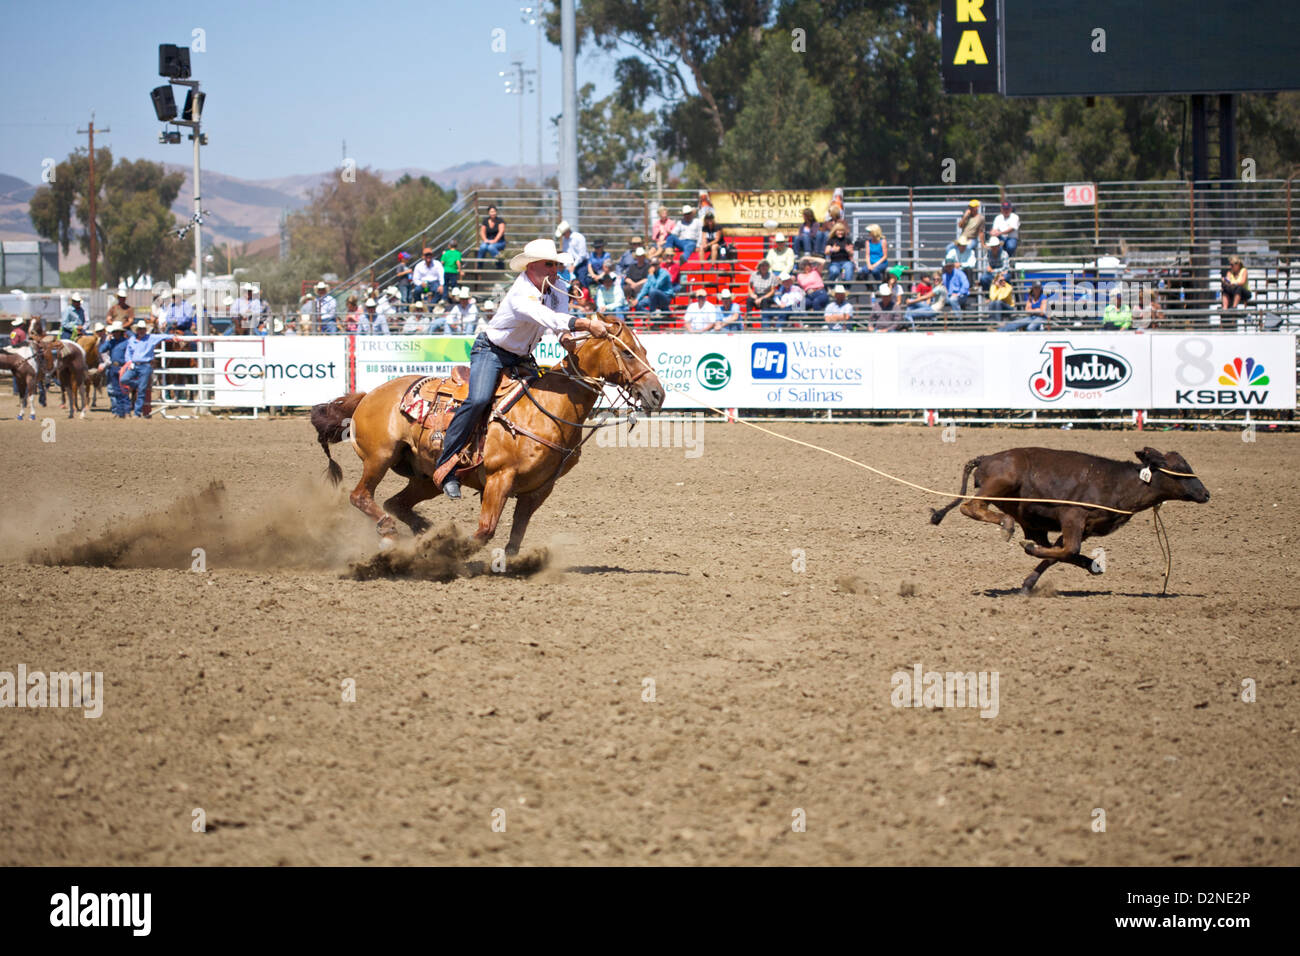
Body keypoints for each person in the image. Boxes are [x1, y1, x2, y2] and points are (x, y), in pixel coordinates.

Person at [431, 237, 609, 499]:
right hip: (491, 351)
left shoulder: (557, 286)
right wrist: (585, 324)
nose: (554, 270)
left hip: (521, 356)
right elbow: (546, 316)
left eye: (555, 265)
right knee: (478, 399)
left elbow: (558, 326)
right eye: (548, 264)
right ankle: (445, 466)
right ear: (531, 267)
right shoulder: (521, 293)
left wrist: (567, 340)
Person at [119, 320, 182, 418]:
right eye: (140, 329)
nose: (141, 331)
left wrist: (171, 337)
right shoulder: (132, 339)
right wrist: (129, 362)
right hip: (134, 365)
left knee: (141, 391)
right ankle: (138, 385)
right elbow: (129, 352)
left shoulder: (151, 338)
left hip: (145, 365)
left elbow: (162, 336)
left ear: (145, 330)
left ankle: (137, 412)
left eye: (143, 329)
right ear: (137, 330)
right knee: (124, 379)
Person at [101, 321, 131, 417]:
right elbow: (101, 349)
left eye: (117, 331)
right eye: (114, 332)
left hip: (123, 367)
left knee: (124, 390)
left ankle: (126, 411)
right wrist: (107, 340)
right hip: (113, 367)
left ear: (121, 332)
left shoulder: (126, 342)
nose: (115, 333)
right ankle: (119, 412)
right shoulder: (111, 342)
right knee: (116, 390)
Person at [555, 220, 590, 287]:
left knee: (581, 280)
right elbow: (566, 254)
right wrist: (565, 265)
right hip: (570, 265)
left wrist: (574, 265)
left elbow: (582, 255)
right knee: (566, 281)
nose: (563, 236)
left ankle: (583, 296)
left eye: (563, 234)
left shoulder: (579, 237)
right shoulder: (565, 240)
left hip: (582, 264)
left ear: (567, 231)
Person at [746, 259, 778, 325]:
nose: (764, 267)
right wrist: (752, 295)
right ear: (759, 267)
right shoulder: (754, 274)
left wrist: (761, 298)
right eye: (763, 266)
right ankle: (749, 322)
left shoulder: (772, 276)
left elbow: (772, 291)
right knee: (749, 300)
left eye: (766, 266)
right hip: (756, 294)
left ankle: (765, 323)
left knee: (765, 301)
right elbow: (749, 287)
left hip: (767, 295)